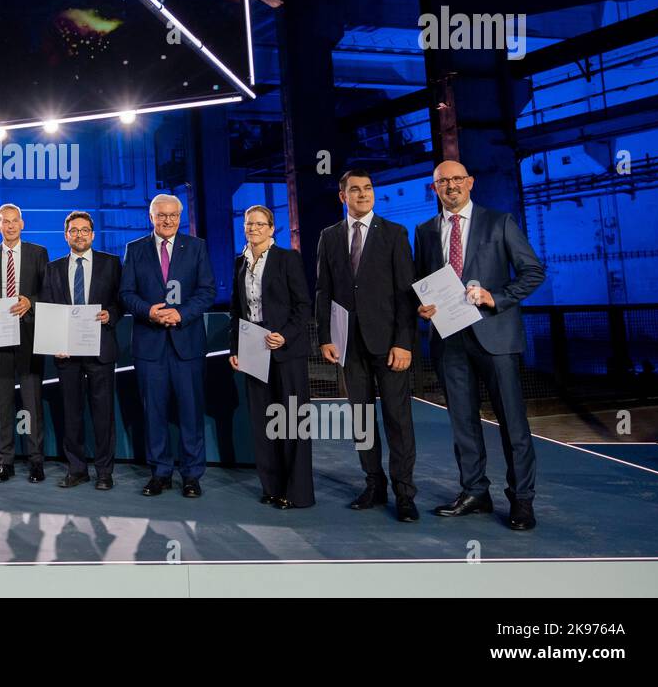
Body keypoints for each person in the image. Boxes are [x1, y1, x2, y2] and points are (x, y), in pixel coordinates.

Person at [414, 160, 546, 530]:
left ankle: (522, 500)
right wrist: (420, 306)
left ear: (470, 182)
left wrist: (496, 297)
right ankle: (475, 492)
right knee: (463, 423)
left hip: (495, 336)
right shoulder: (424, 231)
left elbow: (533, 271)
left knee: (512, 423)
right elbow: (420, 281)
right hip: (449, 339)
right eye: (443, 181)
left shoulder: (499, 222)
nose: (451, 186)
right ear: (434, 188)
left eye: (457, 179)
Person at [315, 170, 419, 522]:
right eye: (355, 190)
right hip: (348, 344)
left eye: (368, 188)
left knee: (398, 420)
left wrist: (404, 342)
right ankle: (374, 485)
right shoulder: (328, 237)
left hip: (389, 345)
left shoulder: (394, 234)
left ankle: (404, 493)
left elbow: (407, 294)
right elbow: (323, 291)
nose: (363, 194)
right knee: (361, 419)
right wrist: (326, 337)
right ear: (342, 196)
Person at [119, 194, 216, 498]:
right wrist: (149, 311)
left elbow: (207, 291)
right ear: (151, 216)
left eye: (173, 215)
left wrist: (182, 313)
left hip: (187, 343)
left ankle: (191, 475)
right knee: (154, 413)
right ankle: (159, 472)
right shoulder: (135, 250)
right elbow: (126, 293)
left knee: (190, 412)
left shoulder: (196, 247)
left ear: (180, 216)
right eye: (161, 215)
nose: (167, 220)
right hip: (150, 346)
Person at [229, 205, 314, 509]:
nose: (253, 228)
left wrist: (286, 335)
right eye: (249, 224)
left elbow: (304, 305)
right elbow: (237, 311)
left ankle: (297, 492)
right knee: (263, 422)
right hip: (252, 347)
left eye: (260, 224)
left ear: (272, 228)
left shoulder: (287, 258)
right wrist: (235, 349)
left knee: (291, 422)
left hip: (285, 350)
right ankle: (272, 487)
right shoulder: (240, 262)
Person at [39, 211, 123, 490]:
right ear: (66, 236)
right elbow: (49, 309)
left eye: (84, 230)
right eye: (74, 231)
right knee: (71, 414)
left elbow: (121, 301)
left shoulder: (111, 264)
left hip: (100, 349)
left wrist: (111, 314)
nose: (79, 235)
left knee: (103, 414)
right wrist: (54, 344)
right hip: (67, 354)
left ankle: (103, 472)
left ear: (93, 234)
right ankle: (76, 469)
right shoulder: (53, 268)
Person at [0, 203, 49, 483]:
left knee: (32, 402)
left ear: (22, 223)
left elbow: (47, 293)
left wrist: (31, 302)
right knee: (2, 404)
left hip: (29, 337)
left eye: (15, 221)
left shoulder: (38, 253)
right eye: (5, 221)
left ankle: (36, 461)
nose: (11, 225)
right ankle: (5, 462)